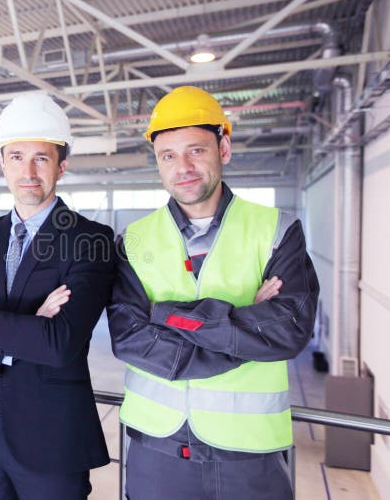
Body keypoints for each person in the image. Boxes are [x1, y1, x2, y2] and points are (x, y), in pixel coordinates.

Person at [108, 85, 319, 499]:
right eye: (168, 156)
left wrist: (163, 315)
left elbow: (289, 329)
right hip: (157, 451)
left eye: (196, 151)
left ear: (223, 148)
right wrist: (245, 327)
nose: (183, 167)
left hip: (248, 456)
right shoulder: (132, 240)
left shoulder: (276, 230)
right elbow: (129, 339)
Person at [0, 92, 113, 499]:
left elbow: (60, 343)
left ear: (61, 165)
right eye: (16, 157)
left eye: (41, 158)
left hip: (52, 436)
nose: (28, 171)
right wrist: (29, 328)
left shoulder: (90, 241)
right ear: (2, 162)